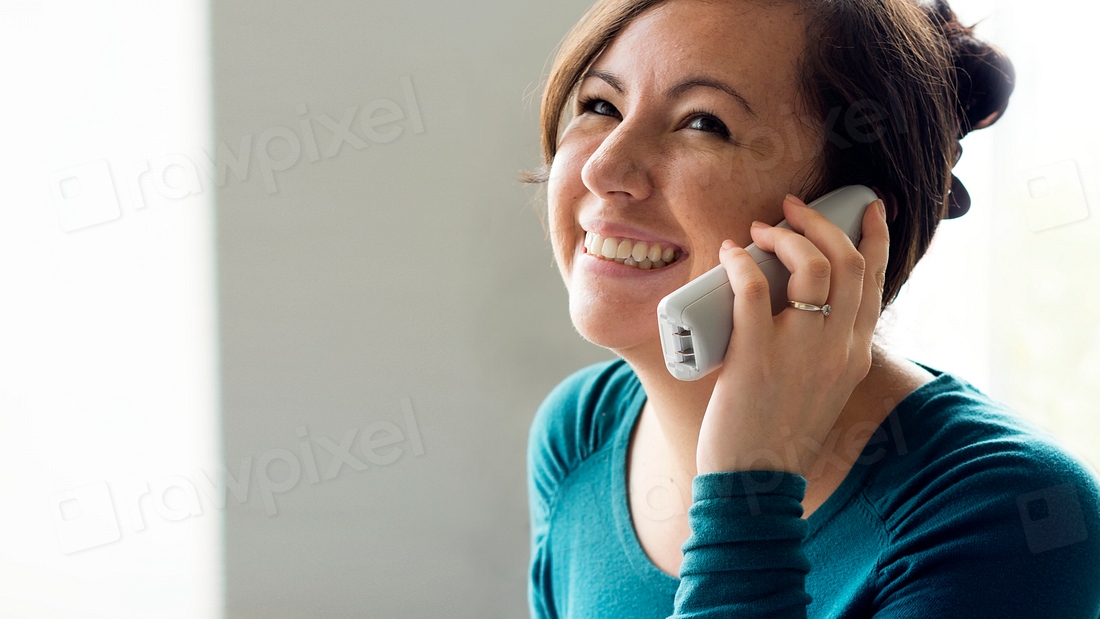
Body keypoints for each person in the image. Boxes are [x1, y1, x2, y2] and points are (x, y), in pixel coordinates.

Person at [522, 0, 1100, 617]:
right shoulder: (583, 431)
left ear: (846, 218)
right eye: (600, 106)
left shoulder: (1005, 514)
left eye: (703, 124)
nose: (603, 166)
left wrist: (747, 492)